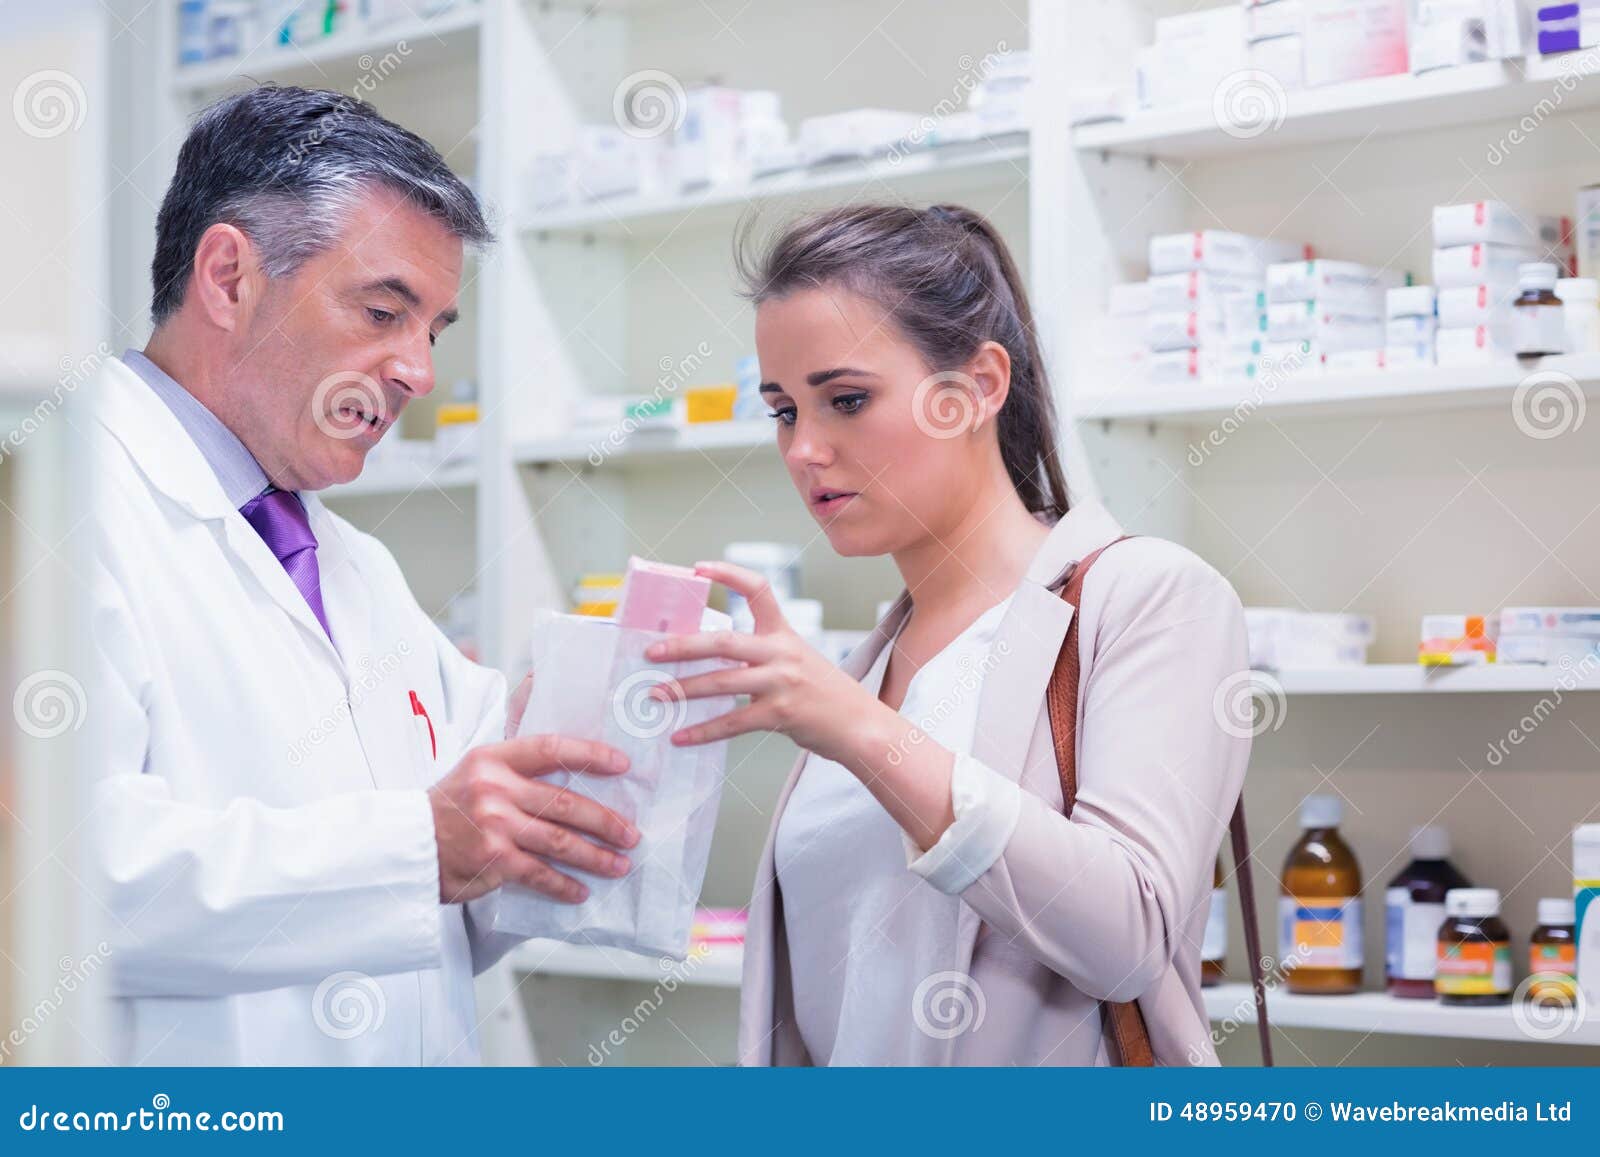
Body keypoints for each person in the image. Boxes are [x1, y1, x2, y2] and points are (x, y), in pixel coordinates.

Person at [88, 86, 638, 1065]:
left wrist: (601, 773)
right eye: (384, 311)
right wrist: (422, 847)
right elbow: (63, 885)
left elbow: (464, 879)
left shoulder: (357, 569)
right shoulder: (56, 515)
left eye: (433, 330)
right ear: (228, 277)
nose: (417, 371)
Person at [645, 204, 1252, 1065]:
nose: (804, 449)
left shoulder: (1152, 597)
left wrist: (861, 732)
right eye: (783, 410)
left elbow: (1130, 937)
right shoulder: (869, 667)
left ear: (977, 387)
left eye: (846, 399)